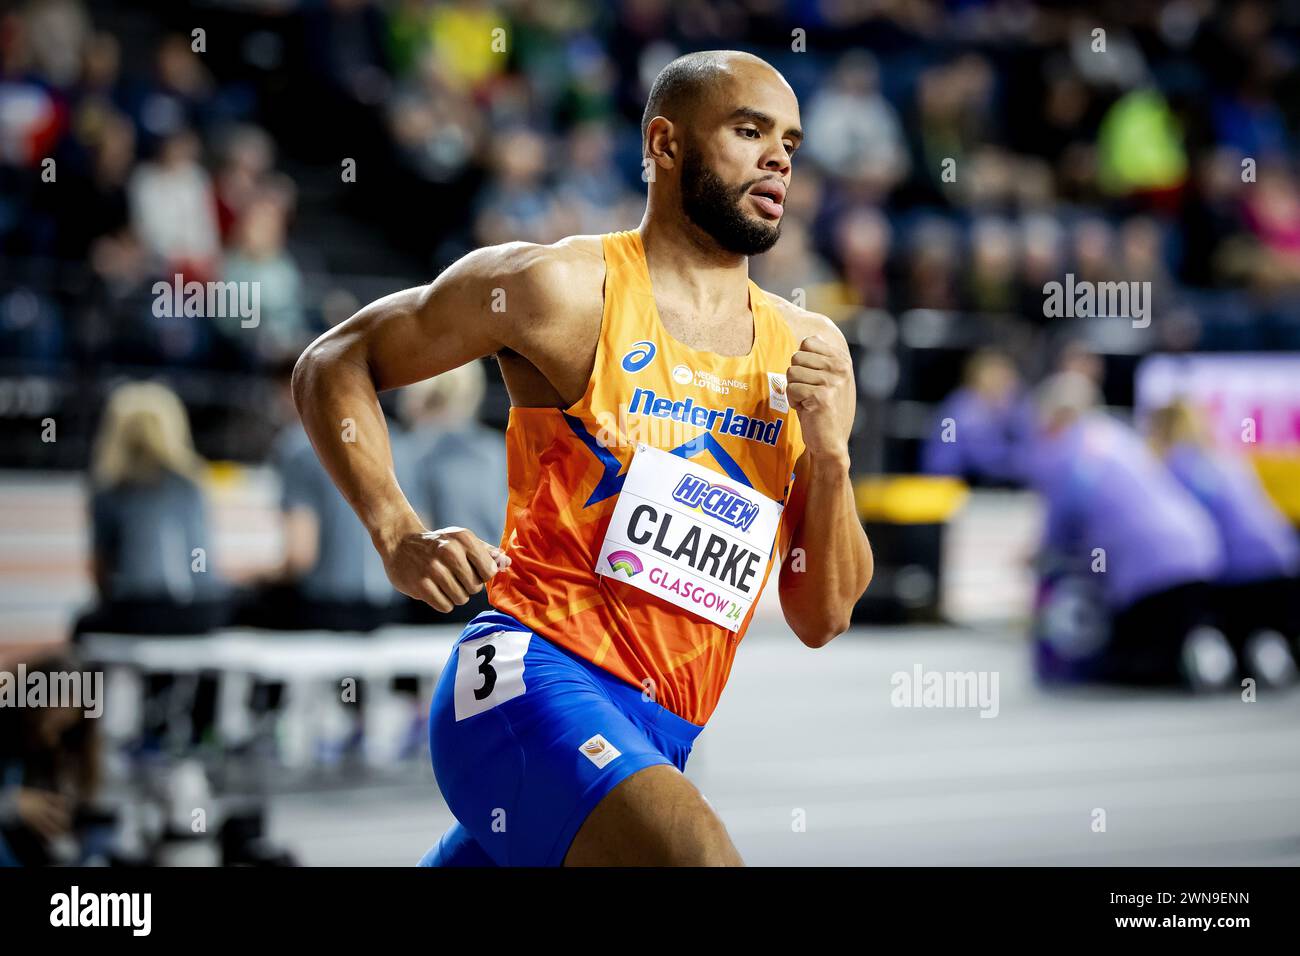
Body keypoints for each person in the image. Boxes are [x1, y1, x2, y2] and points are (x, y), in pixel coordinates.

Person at [293, 50, 873, 866]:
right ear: (666, 144)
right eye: (749, 131)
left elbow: (823, 615)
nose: (780, 156)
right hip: (526, 681)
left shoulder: (812, 352)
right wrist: (395, 531)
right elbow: (333, 362)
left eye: (792, 142)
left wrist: (833, 456)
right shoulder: (560, 290)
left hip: (661, 730)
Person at [1028, 373, 1231, 690]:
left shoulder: (1067, 452)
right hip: (1201, 550)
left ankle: (1175, 659)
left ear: (1058, 416)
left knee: (1125, 666)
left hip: (1154, 570)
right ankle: (1195, 651)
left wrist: (1038, 555)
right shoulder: (1120, 435)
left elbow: (1060, 526)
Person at [1146, 401, 1299, 683]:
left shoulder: (1179, 466)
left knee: (1205, 605)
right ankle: (1267, 644)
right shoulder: (1226, 458)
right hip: (1283, 561)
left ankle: (1220, 649)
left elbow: (1195, 530)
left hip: (1240, 570)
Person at [73, 382, 228, 638]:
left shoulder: (111, 488)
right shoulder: (193, 482)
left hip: (142, 608)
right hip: (202, 609)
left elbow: (100, 570)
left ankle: (82, 680)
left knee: (83, 625)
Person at [396, 362, 507, 625]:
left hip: (437, 586)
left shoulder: (411, 452)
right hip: (488, 581)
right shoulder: (494, 451)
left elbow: (416, 529)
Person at [921, 349, 1034, 487]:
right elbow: (941, 459)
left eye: (1004, 378)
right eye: (992, 376)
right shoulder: (955, 411)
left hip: (1011, 490)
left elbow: (1030, 456)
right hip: (964, 488)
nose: (998, 383)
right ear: (976, 379)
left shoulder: (1018, 410)